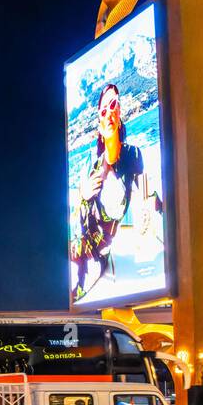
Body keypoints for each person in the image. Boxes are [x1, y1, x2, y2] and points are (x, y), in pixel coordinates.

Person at [71, 83, 161, 302]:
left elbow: (149, 194)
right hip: (81, 245)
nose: (109, 112)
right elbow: (78, 214)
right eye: (103, 110)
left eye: (113, 105)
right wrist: (82, 194)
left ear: (119, 112)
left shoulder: (133, 155)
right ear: (100, 125)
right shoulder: (91, 165)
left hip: (100, 251)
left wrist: (152, 211)